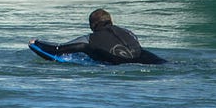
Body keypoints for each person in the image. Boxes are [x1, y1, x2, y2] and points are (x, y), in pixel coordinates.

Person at [30, 8, 166, 65]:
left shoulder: (90, 38)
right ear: (111, 21)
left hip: (117, 62)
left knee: (86, 47)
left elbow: (59, 48)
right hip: (146, 58)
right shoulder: (127, 32)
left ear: (93, 25)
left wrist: (38, 43)